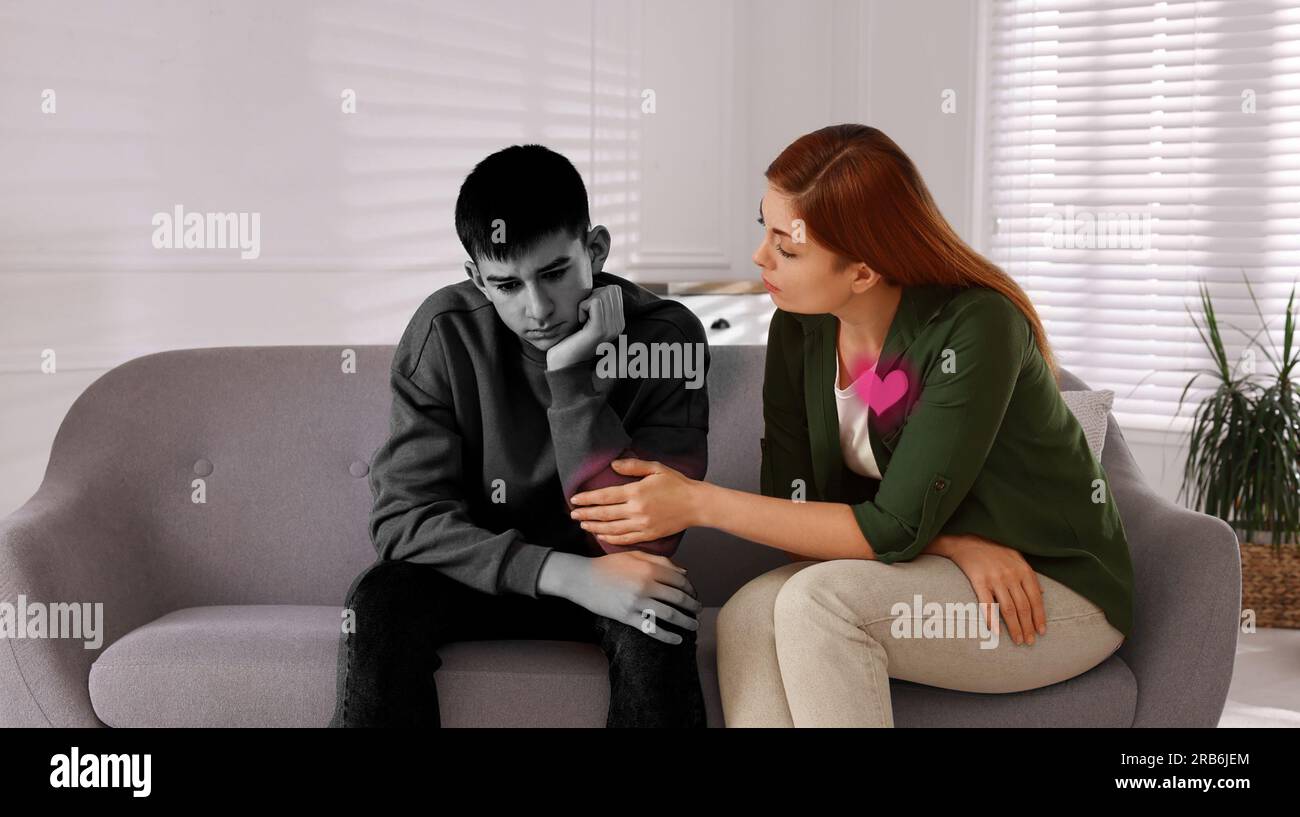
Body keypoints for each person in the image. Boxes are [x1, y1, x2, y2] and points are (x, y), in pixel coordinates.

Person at [566, 124, 1135, 727]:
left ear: (862, 272)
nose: (761, 257)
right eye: (764, 227)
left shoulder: (978, 328)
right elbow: (801, 512)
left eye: (788, 247)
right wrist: (951, 542)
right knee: (748, 612)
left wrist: (696, 503)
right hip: (940, 566)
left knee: (818, 604)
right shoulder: (800, 326)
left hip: (1049, 588)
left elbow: (887, 526)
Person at [329, 144, 710, 728]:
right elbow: (402, 521)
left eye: (555, 273)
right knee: (383, 598)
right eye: (506, 285)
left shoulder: (665, 336)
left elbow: (644, 542)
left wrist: (569, 377)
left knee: (663, 609)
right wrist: (561, 574)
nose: (537, 309)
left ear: (596, 249)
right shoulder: (444, 332)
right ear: (476, 279)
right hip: (479, 576)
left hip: (608, 571)